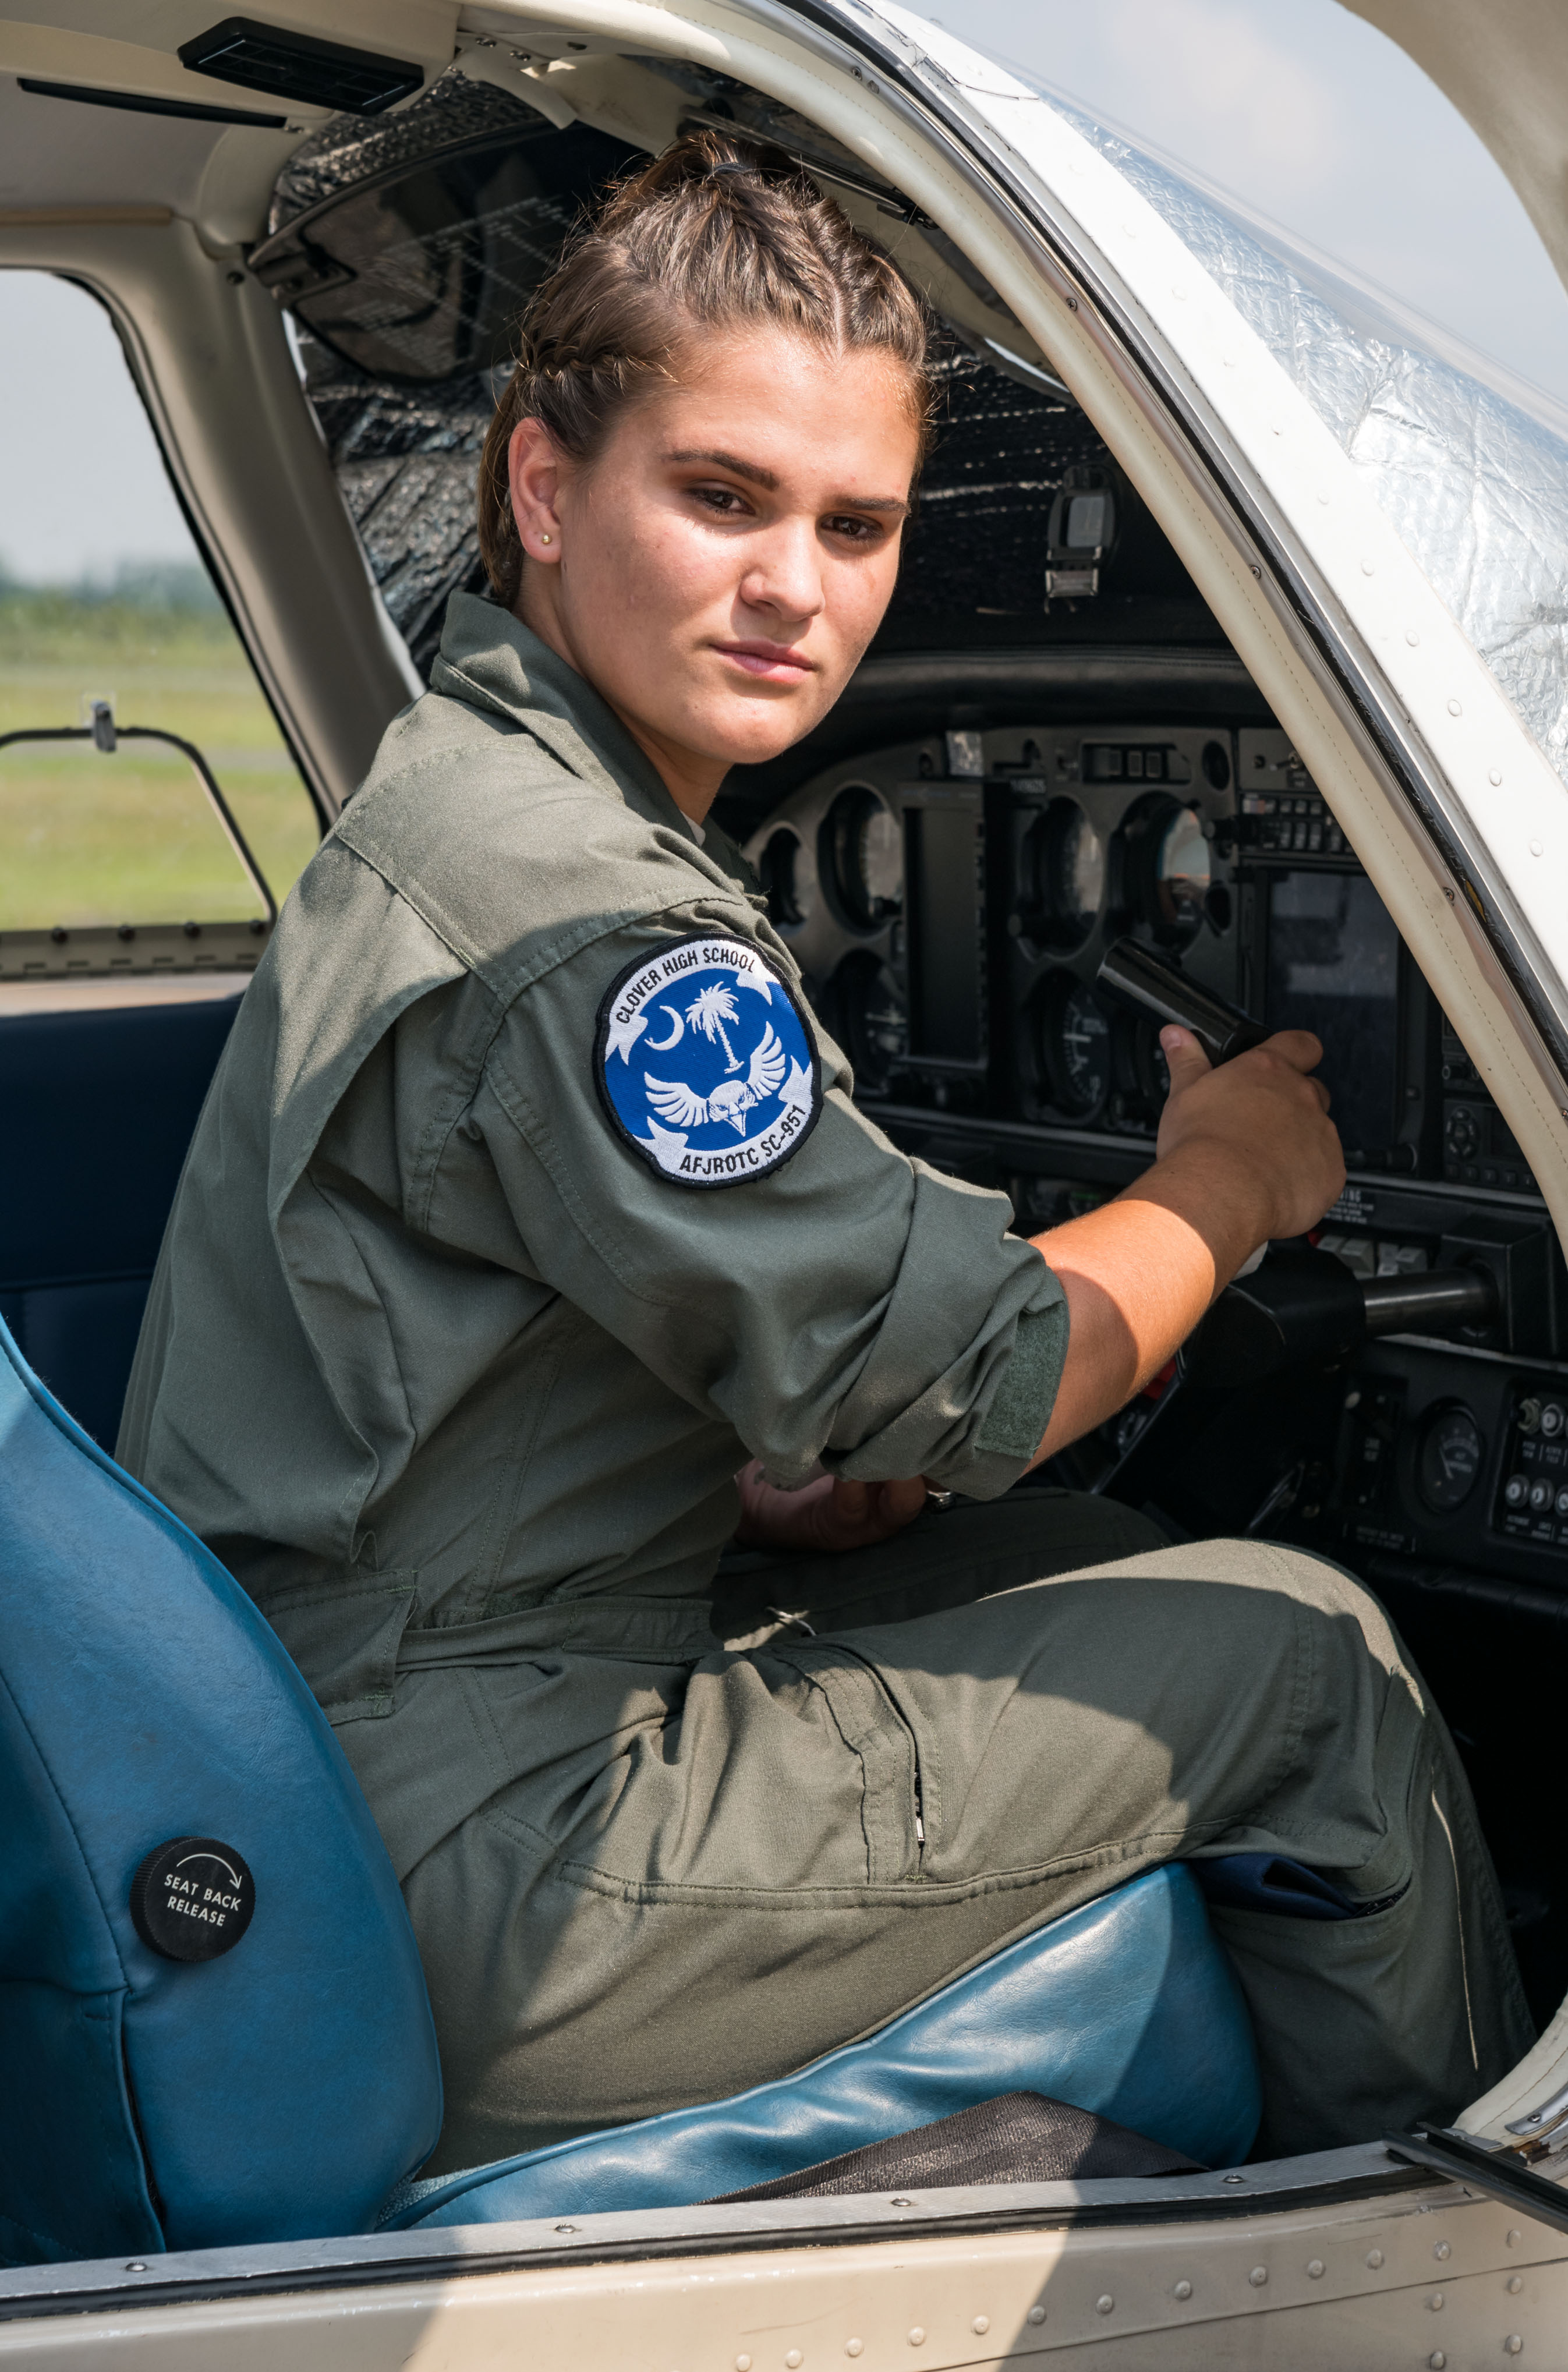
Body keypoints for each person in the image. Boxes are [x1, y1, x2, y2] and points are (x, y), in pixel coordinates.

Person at [119, 132, 1530, 2176]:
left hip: (317, 1753)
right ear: (540, 484)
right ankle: (1444, 2266)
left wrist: (762, 1487)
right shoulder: (606, 933)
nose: (800, 585)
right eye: (722, 497)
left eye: (858, 524)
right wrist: (1230, 1179)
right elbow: (989, 1376)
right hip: (470, 1862)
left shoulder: (457, 793)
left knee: (1121, 1578)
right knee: (1312, 1661)